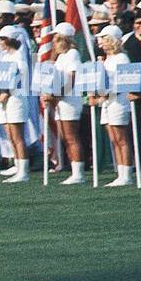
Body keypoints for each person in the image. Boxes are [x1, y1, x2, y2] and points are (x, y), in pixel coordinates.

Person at [45, 22, 86, 185]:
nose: (53, 42)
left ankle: (78, 173)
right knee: (65, 137)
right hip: (60, 101)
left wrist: (55, 94)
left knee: (71, 136)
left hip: (70, 101)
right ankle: (74, 170)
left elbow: (71, 81)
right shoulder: (61, 57)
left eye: (56, 38)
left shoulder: (73, 54)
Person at [93, 26, 134, 187]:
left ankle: (127, 174)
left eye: (103, 39)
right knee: (113, 139)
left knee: (121, 138)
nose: (100, 42)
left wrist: (104, 96)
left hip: (119, 101)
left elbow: (121, 83)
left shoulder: (122, 59)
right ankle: (120, 173)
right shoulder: (107, 59)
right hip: (108, 102)